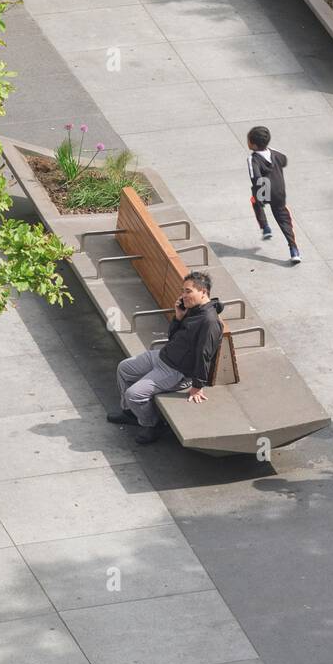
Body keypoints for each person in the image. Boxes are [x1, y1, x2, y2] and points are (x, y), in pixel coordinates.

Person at [108, 271, 223, 444]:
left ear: (204, 292)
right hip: (163, 356)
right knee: (124, 368)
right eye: (183, 291)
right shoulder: (193, 310)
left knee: (134, 394)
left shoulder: (209, 321)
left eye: (188, 291)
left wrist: (197, 385)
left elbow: (204, 354)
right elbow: (173, 338)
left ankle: (153, 425)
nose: (183, 296)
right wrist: (178, 318)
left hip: (176, 371)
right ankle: (131, 412)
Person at [247, 126, 300, 264]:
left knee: (255, 201)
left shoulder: (253, 159)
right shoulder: (275, 153)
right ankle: (294, 249)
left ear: (252, 144)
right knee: (283, 218)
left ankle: (265, 227)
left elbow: (255, 177)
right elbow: (284, 160)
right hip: (279, 190)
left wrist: (260, 192)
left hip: (264, 189)